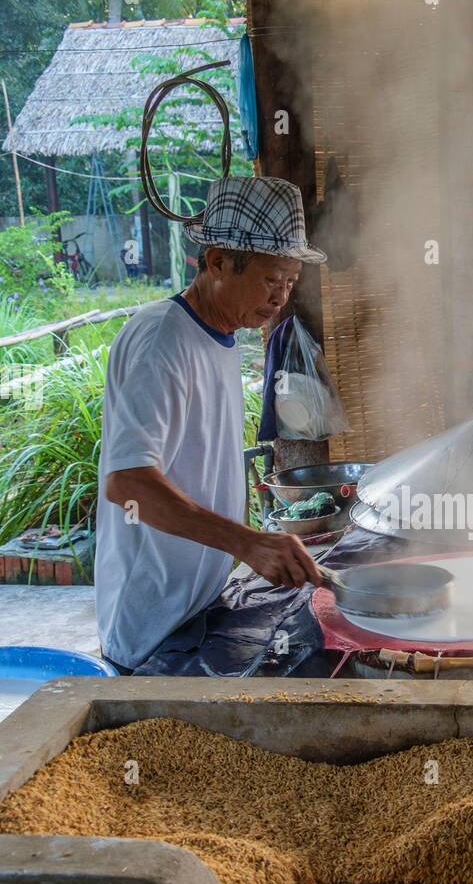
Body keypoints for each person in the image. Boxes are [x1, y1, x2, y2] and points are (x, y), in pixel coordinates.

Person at [95, 176, 325, 673]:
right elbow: (127, 484)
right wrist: (248, 542)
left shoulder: (222, 332)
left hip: (199, 605)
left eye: (290, 282)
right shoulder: (163, 340)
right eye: (271, 279)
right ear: (217, 261)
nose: (281, 296)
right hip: (153, 627)